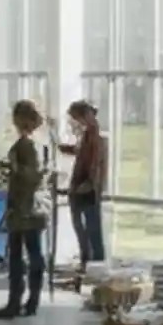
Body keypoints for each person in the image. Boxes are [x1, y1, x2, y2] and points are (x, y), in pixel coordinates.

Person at [0, 100, 46, 320]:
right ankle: (32, 301)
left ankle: (15, 302)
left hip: (24, 207)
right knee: (33, 253)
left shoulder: (26, 144)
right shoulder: (41, 143)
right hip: (37, 206)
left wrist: (13, 167)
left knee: (17, 256)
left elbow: (30, 176)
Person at [59, 100, 107, 267]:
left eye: (73, 120)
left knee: (89, 231)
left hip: (87, 193)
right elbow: (81, 154)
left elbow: (93, 166)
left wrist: (79, 188)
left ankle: (92, 265)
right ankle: (89, 263)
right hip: (85, 190)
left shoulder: (94, 139)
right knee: (87, 230)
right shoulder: (88, 137)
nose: (72, 125)